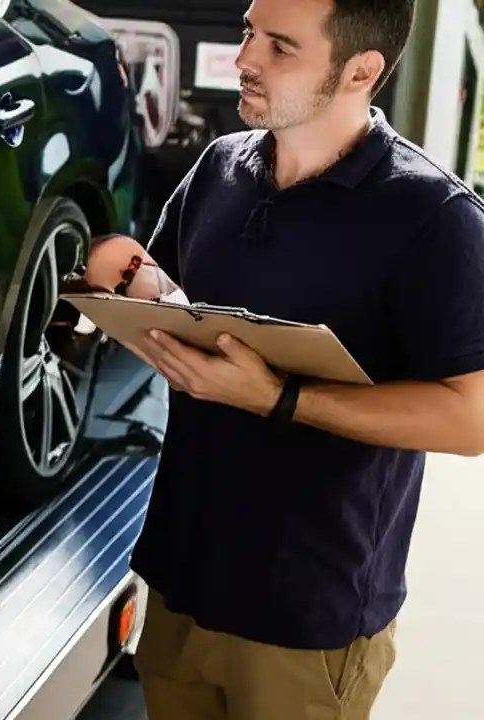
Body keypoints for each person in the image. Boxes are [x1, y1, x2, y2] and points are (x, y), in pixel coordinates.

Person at [86, 0, 484, 717]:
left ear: (361, 70)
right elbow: (177, 308)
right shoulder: (217, 169)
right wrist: (112, 294)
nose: (244, 59)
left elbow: (472, 419)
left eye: (280, 47)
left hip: (306, 622)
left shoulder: (435, 219)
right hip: (180, 587)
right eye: (247, 32)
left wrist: (279, 396)